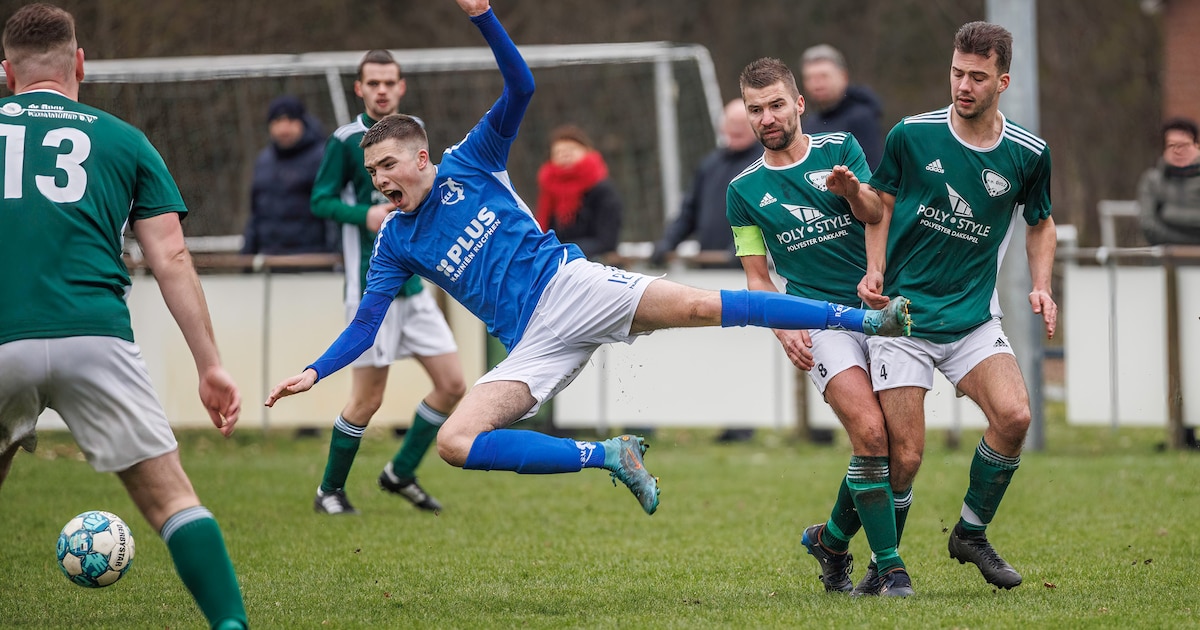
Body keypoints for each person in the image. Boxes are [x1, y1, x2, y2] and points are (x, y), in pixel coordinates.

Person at [265, 0, 914, 518]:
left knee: (696, 304)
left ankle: (863, 323)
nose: (378, 178)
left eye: (386, 165)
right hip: (530, 343)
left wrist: (483, 16)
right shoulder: (394, 240)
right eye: (371, 170)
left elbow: (521, 86)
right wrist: (314, 371)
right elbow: (365, 325)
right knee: (457, 442)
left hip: (571, 286)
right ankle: (609, 455)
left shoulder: (472, 161)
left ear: (420, 158)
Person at [0, 5, 247, 629]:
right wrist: (210, 365)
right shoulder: (124, 139)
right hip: (95, 336)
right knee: (171, 500)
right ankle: (230, 625)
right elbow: (170, 255)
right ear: (80, 63)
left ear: (7, 74)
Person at [858, 21, 1057, 592]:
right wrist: (874, 272)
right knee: (908, 456)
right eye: (956, 73)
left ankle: (970, 532)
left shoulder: (1028, 153)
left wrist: (1041, 283)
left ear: (1003, 81)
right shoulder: (911, 135)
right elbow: (881, 207)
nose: (963, 85)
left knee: (1015, 416)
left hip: (972, 318)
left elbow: (1041, 223)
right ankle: (883, 562)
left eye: (977, 76)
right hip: (905, 319)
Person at [727, 57, 911, 597]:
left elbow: (878, 213)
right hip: (818, 320)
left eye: (776, 105)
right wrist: (783, 328)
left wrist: (852, 191)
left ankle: (830, 541)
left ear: (799, 104)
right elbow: (758, 280)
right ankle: (891, 568)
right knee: (871, 435)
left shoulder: (842, 149)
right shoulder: (743, 190)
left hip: (876, 312)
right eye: (755, 109)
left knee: (902, 450)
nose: (766, 117)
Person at [308, 48, 466, 515]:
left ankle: (400, 473)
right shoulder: (344, 140)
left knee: (453, 383)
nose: (381, 90)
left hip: (415, 288)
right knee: (368, 399)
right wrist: (366, 214)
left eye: (389, 82)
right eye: (372, 83)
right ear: (359, 89)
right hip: (370, 286)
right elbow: (319, 201)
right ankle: (329, 491)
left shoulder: (412, 131)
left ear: (401, 87)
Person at [650, 98, 760, 270]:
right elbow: (689, 212)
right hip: (709, 268)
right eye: (732, 122)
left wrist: (749, 248)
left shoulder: (766, 164)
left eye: (743, 123)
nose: (737, 128)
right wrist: (668, 242)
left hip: (752, 268)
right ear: (723, 126)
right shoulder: (710, 165)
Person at [242, 94, 335, 258]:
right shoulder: (263, 160)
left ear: (302, 122)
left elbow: (332, 215)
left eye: (290, 121)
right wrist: (246, 258)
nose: (283, 128)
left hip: (312, 262)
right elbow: (256, 216)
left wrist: (334, 257)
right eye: (277, 121)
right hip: (271, 261)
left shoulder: (322, 157)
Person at [535, 123, 622, 263]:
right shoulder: (549, 192)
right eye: (558, 152)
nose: (564, 155)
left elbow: (606, 241)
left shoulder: (602, 190)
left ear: (586, 151)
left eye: (571, 150)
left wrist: (559, 252)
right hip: (559, 260)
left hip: (594, 264)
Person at [799, 44, 884, 170]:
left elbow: (872, 172)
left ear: (843, 76)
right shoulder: (810, 122)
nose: (816, 84)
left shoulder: (861, 118)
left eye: (823, 76)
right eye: (810, 78)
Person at [1137, 117, 1200, 246]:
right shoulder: (1153, 182)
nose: (1178, 151)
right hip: (1164, 260)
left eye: (1184, 145)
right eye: (1171, 145)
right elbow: (1148, 226)